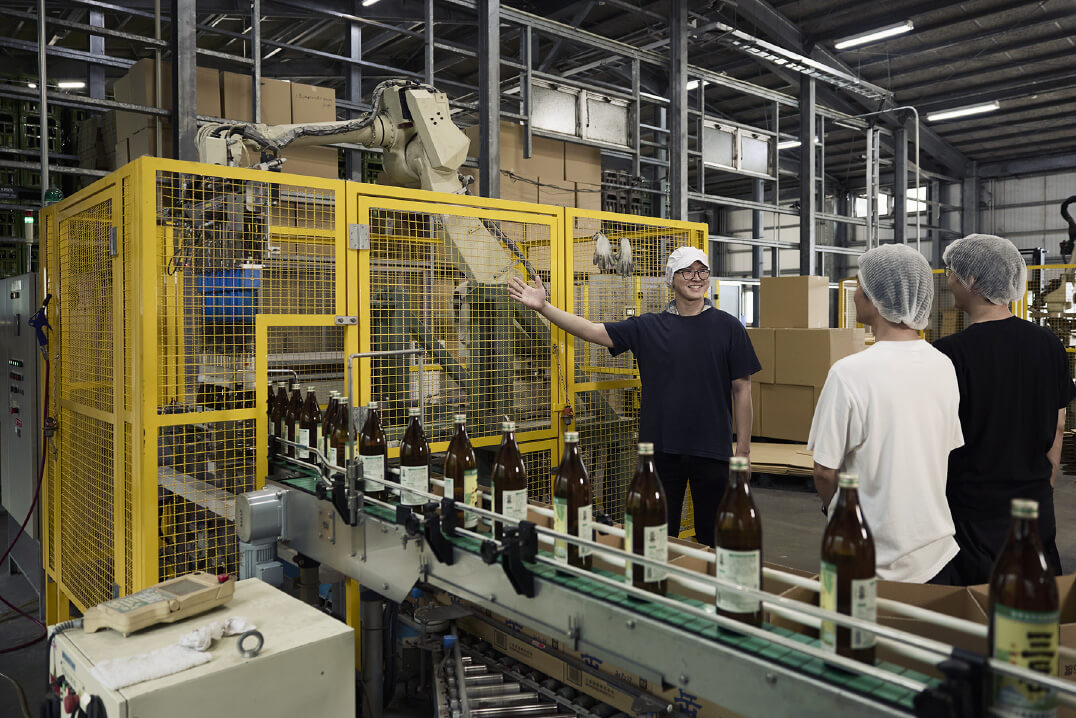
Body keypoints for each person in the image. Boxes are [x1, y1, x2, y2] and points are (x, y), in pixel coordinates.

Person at [507, 246, 760, 547]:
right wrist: (544, 308)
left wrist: (742, 450)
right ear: (671, 278)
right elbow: (591, 330)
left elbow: (742, 389)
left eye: (702, 271)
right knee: (654, 536)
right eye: (687, 271)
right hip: (660, 453)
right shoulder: (648, 327)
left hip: (713, 452)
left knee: (716, 538)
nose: (696, 278)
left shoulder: (728, 327)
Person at [808, 244, 964, 584]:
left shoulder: (849, 372)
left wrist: (833, 509)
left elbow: (824, 471)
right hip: (935, 558)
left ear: (875, 299)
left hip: (866, 558)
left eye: (861, 286)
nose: (855, 294)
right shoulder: (943, 365)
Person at [934, 233, 1074, 584]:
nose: (948, 279)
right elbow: (1058, 425)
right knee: (1033, 598)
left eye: (952, 272)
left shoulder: (949, 353)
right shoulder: (1048, 343)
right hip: (1034, 503)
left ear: (971, 280)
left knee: (979, 611)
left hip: (971, 510)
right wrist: (1046, 481)